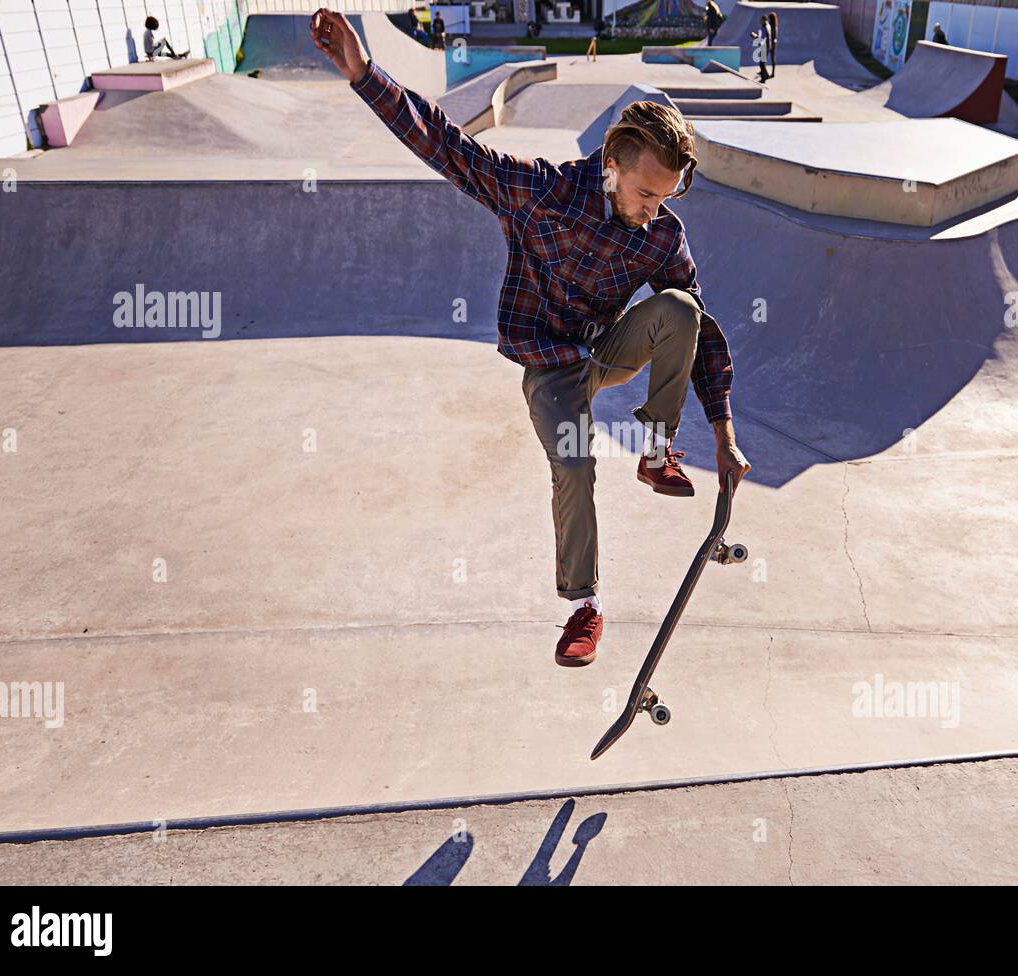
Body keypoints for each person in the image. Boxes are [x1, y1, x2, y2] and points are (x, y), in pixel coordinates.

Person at [310, 7, 750, 669]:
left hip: (606, 351)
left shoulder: (662, 235)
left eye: (665, 198)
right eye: (644, 193)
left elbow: (700, 335)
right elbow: (446, 145)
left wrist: (722, 434)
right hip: (550, 367)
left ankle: (656, 452)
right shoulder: (539, 192)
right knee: (573, 464)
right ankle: (585, 607)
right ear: (611, 164)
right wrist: (363, 73)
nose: (654, 212)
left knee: (683, 308)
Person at [751, 14, 770, 83]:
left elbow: (762, 38)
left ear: (764, 20)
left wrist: (754, 36)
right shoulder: (767, 26)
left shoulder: (764, 28)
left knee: (762, 63)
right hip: (767, 46)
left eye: (761, 20)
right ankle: (767, 75)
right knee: (763, 62)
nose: (760, 21)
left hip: (764, 46)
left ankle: (763, 79)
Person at [767, 10, 778, 78]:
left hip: (770, 43)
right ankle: (773, 72)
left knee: (764, 57)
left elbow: (772, 35)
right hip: (773, 43)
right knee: (772, 57)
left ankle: (764, 70)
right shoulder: (775, 25)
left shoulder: (771, 26)